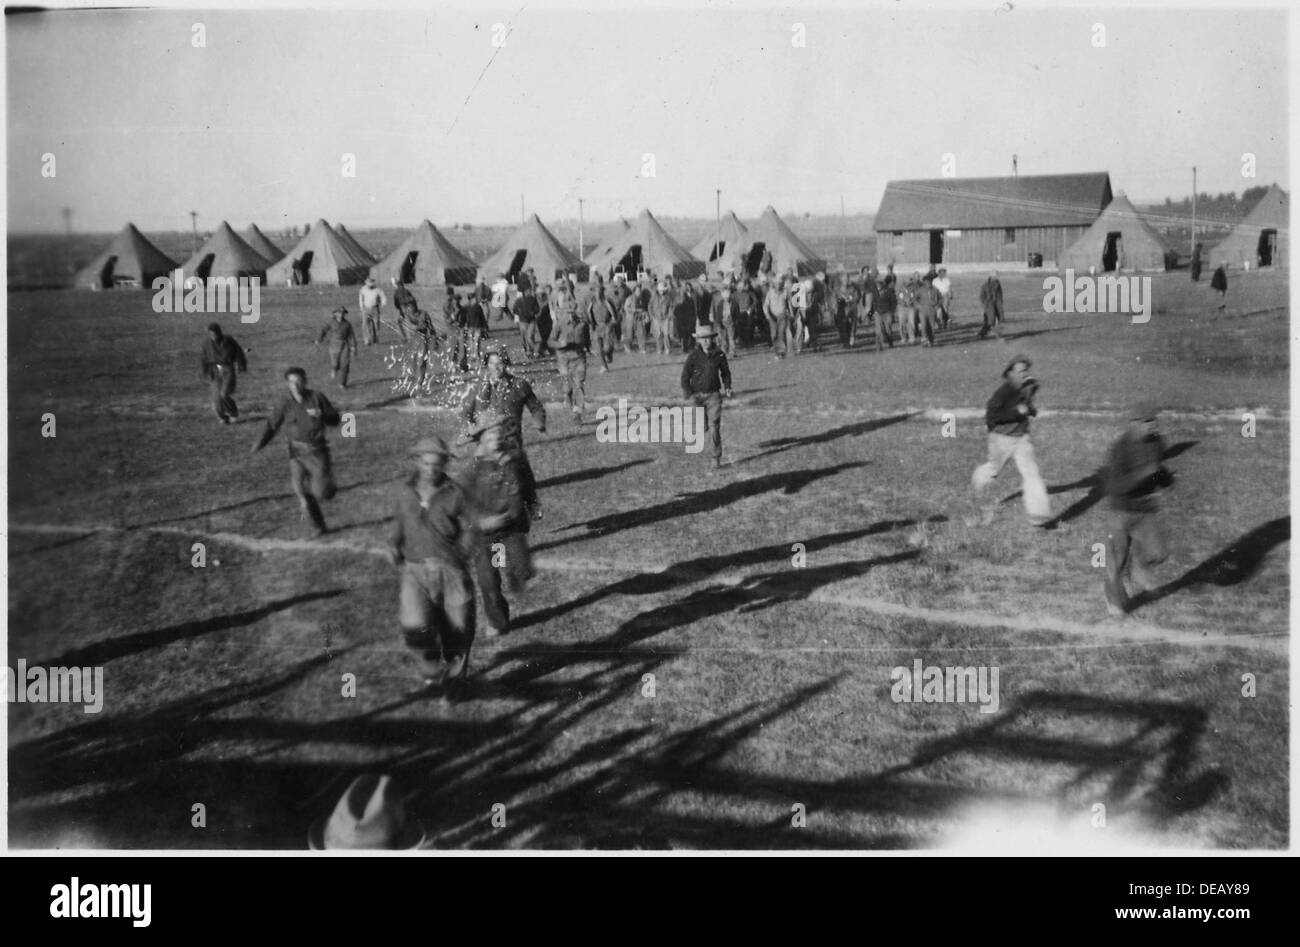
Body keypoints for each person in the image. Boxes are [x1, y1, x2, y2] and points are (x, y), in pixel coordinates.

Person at [385, 435, 510, 694]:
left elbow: (472, 526)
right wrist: (393, 544)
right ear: (417, 462)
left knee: (459, 630)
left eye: (437, 463)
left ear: (444, 464)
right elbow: (398, 522)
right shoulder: (402, 491)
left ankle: (455, 684)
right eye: (426, 463)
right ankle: (430, 668)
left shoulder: (455, 493)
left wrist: (460, 555)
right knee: (415, 628)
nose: (431, 468)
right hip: (415, 571)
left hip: (451, 570)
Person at [459, 419, 535, 638]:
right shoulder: (473, 468)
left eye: (500, 435)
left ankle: (515, 572)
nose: (496, 440)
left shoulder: (515, 459)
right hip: (486, 535)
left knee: (521, 570)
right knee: (489, 583)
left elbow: (528, 482)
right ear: (481, 440)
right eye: (490, 437)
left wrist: (533, 503)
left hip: (512, 529)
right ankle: (498, 621)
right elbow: (463, 502)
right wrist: (480, 521)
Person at [1101, 403, 1175, 617]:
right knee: (1117, 560)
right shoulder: (1119, 450)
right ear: (1133, 424)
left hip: (1145, 509)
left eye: (1154, 421)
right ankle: (1114, 599)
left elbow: (1158, 467)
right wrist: (1144, 473)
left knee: (1159, 553)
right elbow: (1114, 487)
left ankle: (1138, 568)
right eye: (1147, 422)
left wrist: (1167, 479)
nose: (1153, 426)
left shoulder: (1157, 443)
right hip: (1120, 511)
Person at [251, 367, 341, 537]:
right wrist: (259, 444)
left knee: (322, 493)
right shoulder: (284, 403)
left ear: (305, 382)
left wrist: (322, 415)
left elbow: (336, 419)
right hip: (296, 454)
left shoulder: (317, 397)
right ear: (287, 384)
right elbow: (272, 425)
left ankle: (329, 486)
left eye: (299, 381)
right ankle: (318, 527)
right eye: (292, 382)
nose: (296, 385)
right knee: (301, 492)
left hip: (317, 452)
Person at [970, 354, 1051, 528]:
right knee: (993, 471)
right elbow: (992, 416)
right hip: (1001, 439)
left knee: (1032, 474)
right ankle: (977, 477)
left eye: (1026, 370)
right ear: (1010, 373)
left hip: (1021, 439)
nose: (1024, 373)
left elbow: (1027, 408)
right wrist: (1016, 413)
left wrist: (1030, 409)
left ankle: (1038, 516)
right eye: (1020, 371)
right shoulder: (1003, 392)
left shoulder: (1026, 388)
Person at [460, 348, 546, 512]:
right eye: (492, 363)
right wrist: (470, 428)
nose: (496, 367)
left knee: (521, 471)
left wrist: (539, 422)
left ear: (506, 364)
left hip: (510, 439)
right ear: (487, 366)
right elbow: (466, 413)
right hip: (485, 442)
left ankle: (532, 503)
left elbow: (536, 407)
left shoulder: (520, 385)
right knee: (480, 476)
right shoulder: (477, 387)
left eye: (500, 363)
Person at [681, 324, 733, 469]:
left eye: (708, 338)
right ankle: (701, 424)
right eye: (702, 339)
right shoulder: (693, 356)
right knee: (701, 425)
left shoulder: (719, 354)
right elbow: (685, 377)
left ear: (712, 339)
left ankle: (715, 457)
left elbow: (725, 372)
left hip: (714, 396)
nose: (706, 341)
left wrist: (727, 386)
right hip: (696, 396)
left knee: (714, 426)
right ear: (698, 340)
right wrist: (689, 395)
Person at [549, 293, 592, 420]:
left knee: (579, 384)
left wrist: (588, 348)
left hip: (579, 358)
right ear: (562, 312)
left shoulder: (583, 325)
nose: (570, 314)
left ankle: (578, 413)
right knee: (567, 386)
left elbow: (587, 339)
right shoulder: (559, 324)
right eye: (567, 312)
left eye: (572, 311)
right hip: (564, 358)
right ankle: (567, 395)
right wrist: (559, 344)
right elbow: (550, 341)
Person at [200, 322, 248, 424]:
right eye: (211, 334)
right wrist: (205, 371)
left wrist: (241, 365)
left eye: (215, 334)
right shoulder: (206, 343)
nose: (213, 336)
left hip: (227, 368)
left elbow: (238, 352)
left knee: (224, 394)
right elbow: (204, 358)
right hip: (214, 370)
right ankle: (222, 417)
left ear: (219, 333)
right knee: (216, 398)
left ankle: (233, 412)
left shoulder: (229, 341)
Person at [316, 306, 359, 388]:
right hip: (334, 345)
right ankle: (334, 369)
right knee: (335, 363)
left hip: (345, 345)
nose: (341, 315)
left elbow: (351, 335)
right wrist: (319, 339)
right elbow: (323, 330)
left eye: (343, 313)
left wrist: (353, 347)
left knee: (345, 364)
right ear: (335, 314)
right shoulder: (331, 322)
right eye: (339, 313)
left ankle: (342, 383)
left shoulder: (347, 324)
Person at [587, 283, 619, 372]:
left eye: (599, 291)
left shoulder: (607, 302)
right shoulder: (591, 303)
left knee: (607, 348)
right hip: (597, 327)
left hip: (607, 326)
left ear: (602, 292)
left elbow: (614, 316)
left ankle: (609, 354)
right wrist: (591, 325)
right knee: (598, 349)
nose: (597, 293)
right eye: (596, 291)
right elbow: (589, 315)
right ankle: (604, 366)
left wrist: (611, 324)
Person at [711, 284, 741, 358]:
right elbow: (718, 314)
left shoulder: (734, 303)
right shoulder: (720, 304)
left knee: (731, 338)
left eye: (727, 297)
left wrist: (736, 322)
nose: (726, 299)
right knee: (723, 339)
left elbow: (737, 314)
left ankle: (732, 352)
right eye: (725, 297)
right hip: (722, 322)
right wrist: (718, 323)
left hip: (731, 321)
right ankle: (723, 352)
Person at [462, 291, 488, 372]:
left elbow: (482, 317)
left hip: (477, 327)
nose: (475, 299)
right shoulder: (466, 307)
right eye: (473, 298)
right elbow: (464, 317)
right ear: (471, 299)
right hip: (470, 327)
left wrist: (484, 326)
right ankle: (473, 355)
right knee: (471, 342)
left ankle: (476, 355)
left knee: (476, 341)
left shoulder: (478, 307)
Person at [512, 285, 541, 359]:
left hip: (531, 320)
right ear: (524, 292)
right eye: (528, 291)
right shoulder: (519, 300)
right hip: (523, 321)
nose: (529, 292)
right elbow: (515, 309)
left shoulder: (533, 299)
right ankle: (528, 351)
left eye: (530, 291)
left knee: (530, 336)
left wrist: (533, 312)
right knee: (524, 338)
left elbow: (537, 308)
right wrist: (520, 314)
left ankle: (535, 350)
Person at [977, 270, 1004, 341]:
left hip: (997, 305)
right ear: (991, 276)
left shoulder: (998, 284)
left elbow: (1000, 295)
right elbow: (981, 297)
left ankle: (982, 334)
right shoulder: (985, 285)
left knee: (994, 322)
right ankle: (998, 336)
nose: (997, 277)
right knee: (991, 322)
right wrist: (986, 304)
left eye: (997, 276)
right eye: (995, 276)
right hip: (989, 306)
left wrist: (1000, 302)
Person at [358, 276, 386, 346]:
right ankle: (367, 340)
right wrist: (361, 307)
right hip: (366, 309)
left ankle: (375, 340)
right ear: (366, 282)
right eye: (368, 282)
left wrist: (383, 304)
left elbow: (383, 297)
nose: (370, 284)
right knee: (365, 325)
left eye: (371, 282)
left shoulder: (377, 289)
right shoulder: (363, 289)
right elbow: (361, 299)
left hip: (375, 309)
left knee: (376, 325)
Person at [649, 280, 674, 355]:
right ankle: (659, 349)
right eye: (661, 291)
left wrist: (669, 315)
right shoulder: (654, 297)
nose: (662, 292)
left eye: (663, 290)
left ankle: (667, 349)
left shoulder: (668, 297)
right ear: (658, 290)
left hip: (665, 318)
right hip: (656, 318)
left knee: (666, 335)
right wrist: (652, 316)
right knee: (658, 335)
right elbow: (649, 306)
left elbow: (671, 307)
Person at [674, 281, 700, 354]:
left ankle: (686, 348)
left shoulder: (681, 300)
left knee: (685, 335)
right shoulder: (685, 300)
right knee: (686, 334)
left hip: (684, 320)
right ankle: (688, 347)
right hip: (684, 320)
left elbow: (675, 311)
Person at [873, 277, 896, 352]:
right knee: (879, 330)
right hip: (878, 314)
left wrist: (892, 312)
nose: (878, 286)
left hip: (887, 313)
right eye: (876, 285)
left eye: (879, 285)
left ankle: (890, 342)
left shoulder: (888, 292)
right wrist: (872, 313)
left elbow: (894, 302)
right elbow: (872, 303)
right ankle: (879, 346)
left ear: (882, 285)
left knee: (888, 329)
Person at [916, 274, 940, 347]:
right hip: (923, 310)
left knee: (932, 326)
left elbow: (940, 298)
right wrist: (918, 305)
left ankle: (931, 340)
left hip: (932, 309)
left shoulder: (935, 290)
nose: (929, 283)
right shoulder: (920, 290)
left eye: (930, 281)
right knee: (923, 325)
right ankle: (924, 340)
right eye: (927, 282)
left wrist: (938, 306)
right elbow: (915, 298)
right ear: (924, 282)